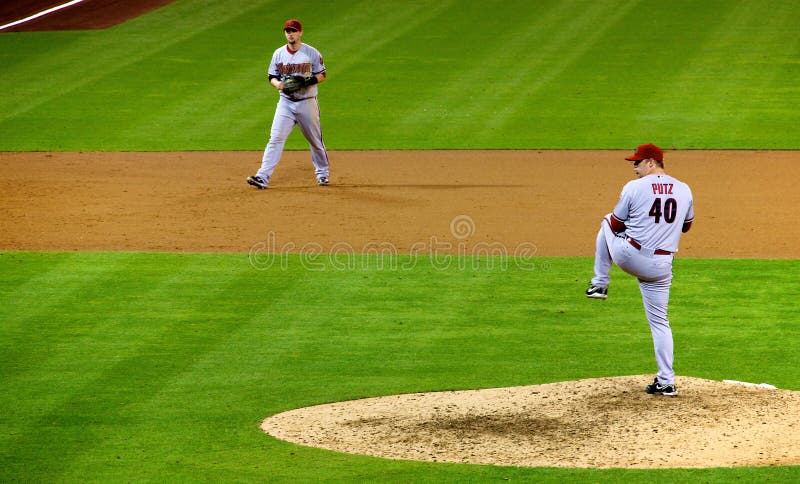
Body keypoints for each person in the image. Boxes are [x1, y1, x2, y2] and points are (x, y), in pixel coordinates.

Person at [585, 143, 694, 397]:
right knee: (660, 322)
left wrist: (636, 225)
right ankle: (666, 382)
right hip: (662, 267)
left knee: (605, 220)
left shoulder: (634, 187)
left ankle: (600, 283)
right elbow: (686, 227)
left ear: (651, 163)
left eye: (637, 162)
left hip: (631, 256)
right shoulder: (684, 189)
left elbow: (616, 223)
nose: (634, 167)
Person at [247, 19, 330, 189]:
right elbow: (272, 76)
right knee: (275, 139)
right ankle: (262, 177)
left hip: (307, 103)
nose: (290, 34)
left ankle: (322, 174)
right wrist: (278, 85)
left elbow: (322, 74)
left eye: (293, 31)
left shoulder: (311, 53)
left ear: (300, 33)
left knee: (315, 141)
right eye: (287, 31)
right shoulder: (278, 53)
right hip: (285, 103)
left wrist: (306, 82)